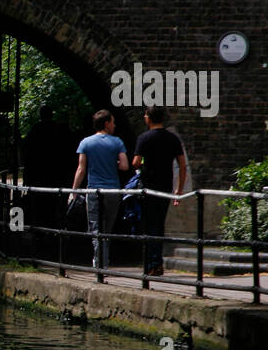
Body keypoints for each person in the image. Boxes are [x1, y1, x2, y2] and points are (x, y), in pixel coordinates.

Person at [132, 104, 187, 276]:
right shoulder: (173, 139)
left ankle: (152, 263)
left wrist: (142, 165)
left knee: (149, 226)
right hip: (165, 186)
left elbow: (135, 162)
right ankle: (157, 262)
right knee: (159, 224)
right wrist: (178, 190)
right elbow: (182, 165)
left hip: (148, 187)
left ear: (149, 117)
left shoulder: (144, 138)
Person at [70, 109, 129, 269]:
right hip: (112, 191)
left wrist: (74, 191)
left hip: (94, 191)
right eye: (113, 122)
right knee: (107, 229)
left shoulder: (86, 143)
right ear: (106, 123)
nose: (115, 125)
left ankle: (99, 264)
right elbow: (125, 166)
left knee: (95, 228)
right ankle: (104, 262)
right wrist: (113, 163)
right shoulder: (117, 142)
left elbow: (81, 169)